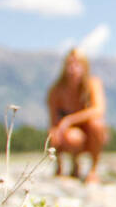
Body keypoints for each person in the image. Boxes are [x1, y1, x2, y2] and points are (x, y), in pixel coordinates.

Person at [46, 48, 108, 183]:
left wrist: (69, 119)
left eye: (78, 64)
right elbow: (53, 123)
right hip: (69, 135)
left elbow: (99, 110)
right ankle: (71, 165)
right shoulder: (56, 90)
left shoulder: (93, 83)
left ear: (85, 67)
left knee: (97, 125)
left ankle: (93, 170)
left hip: (89, 133)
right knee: (70, 137)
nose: (73, 69)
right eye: (70, 64)